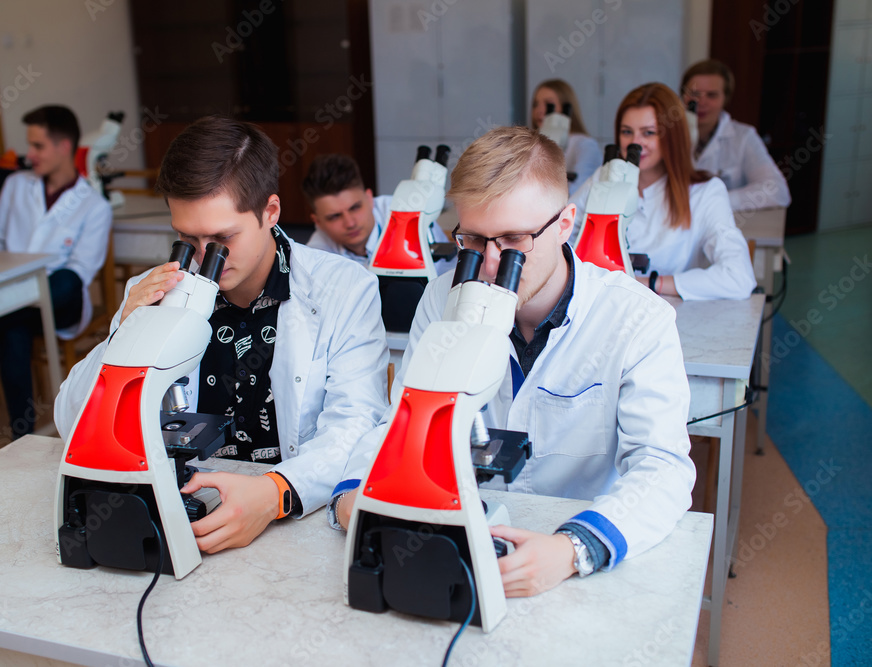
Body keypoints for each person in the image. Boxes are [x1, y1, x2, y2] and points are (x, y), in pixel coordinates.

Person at [331, 126, 696, 596]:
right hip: (460, 540)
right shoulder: (444, 297)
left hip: (575, 555)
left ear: (566, 223)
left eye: (512, 242)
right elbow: (403, 419)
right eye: (473, 241)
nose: (489, 264)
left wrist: (573, 547)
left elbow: (663, 466)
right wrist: (353, 494)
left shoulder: (636, 319)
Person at [54, 116, 389, 553]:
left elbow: (357, 422)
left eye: (221, 237)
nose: (203, 256)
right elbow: (72, 423)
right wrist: (126, 333)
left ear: (270, 211)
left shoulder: (344, 288)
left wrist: (275, 492)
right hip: (180, 509)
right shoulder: (157, 291)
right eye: (186, 238)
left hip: (291, 517)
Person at [0, 105, 112, 438]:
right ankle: (21, 436)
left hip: (60, 302)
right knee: (13, 332)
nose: (30, 154)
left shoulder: (94, 205)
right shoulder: (15, 185)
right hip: (16, 300)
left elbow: (82, 270)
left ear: (64, 146)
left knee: (65, 279)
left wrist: (24, 290)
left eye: (37, 146)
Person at [570, 83, 756, 301]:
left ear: (672, 136)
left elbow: (738, 277)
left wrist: (648, 283)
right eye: (626, 132)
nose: (635, 143)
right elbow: (559, 234)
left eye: (648, 133)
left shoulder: (705, 193)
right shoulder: (605, 178)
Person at [681, 59, 791, 211]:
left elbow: (778, 192)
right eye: (694, 94)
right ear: (682, 97)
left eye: (711, 95)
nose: (701, 102)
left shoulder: (744, 137)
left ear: (725, 98)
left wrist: (716, 200)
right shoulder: (664, 135)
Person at [302, 153, 449, 265]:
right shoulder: (316, 256)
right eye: (334, 216)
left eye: (355, 208)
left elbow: (444, 280)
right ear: (317, 222)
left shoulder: (409, 214)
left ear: (370, 198)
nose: (350, 223)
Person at [530, 79, 601, 196]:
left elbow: (579, 190)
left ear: (566, 108)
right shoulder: (530, 145)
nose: (539, 110)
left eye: (549, 105)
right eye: (535, 104)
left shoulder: (585, 145)